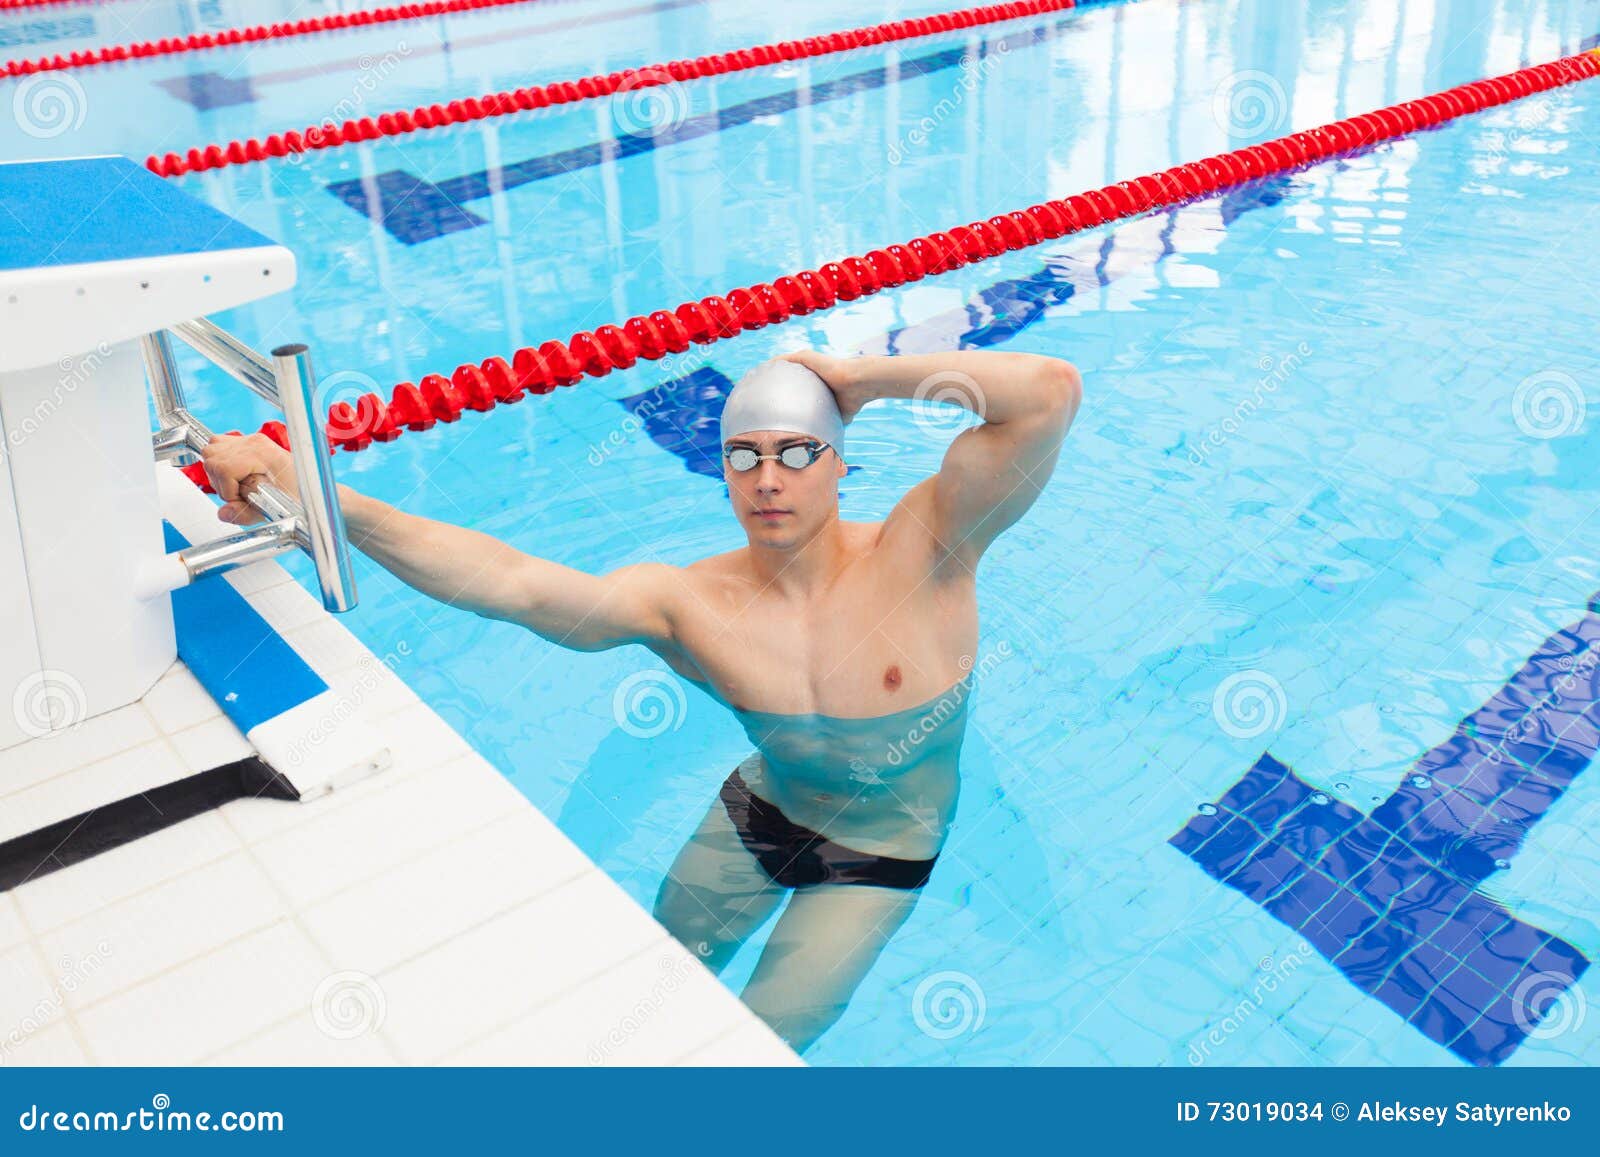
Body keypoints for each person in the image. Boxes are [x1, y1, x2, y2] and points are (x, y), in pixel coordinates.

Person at [200, 348, 1081, 1051]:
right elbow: (512, 581)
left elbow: (1048, 391)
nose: (768, 478)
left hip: (881, 850)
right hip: (759, 810)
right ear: (725, 475)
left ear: (838, 463)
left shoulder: (926, 551)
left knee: (759, 1045)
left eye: (795, 452)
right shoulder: (688, 604)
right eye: (746, 457)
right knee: (652, 999)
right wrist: (317, 490)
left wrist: (855, 379)